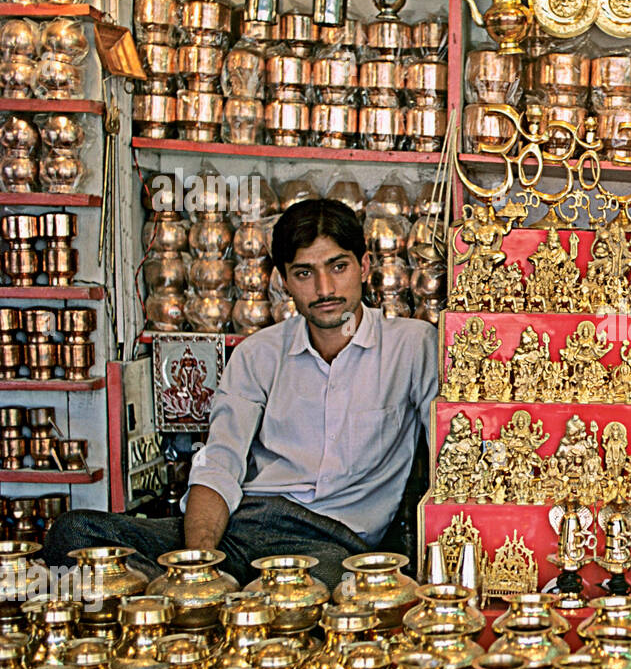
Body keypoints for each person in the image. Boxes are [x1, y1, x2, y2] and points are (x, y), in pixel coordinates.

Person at [44, 199, 440, 590]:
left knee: (340, 592)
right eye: (304, 273)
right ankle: (210, 597)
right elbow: (220, 463)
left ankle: (216, 601)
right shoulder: (259, 354)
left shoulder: (412, 346)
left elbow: (450, 454)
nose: (324, 288)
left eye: (338, 267)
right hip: (242, 529)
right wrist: (197, 567)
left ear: (364, 265)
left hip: (333, 546)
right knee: (75, 533)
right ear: (283, 281)